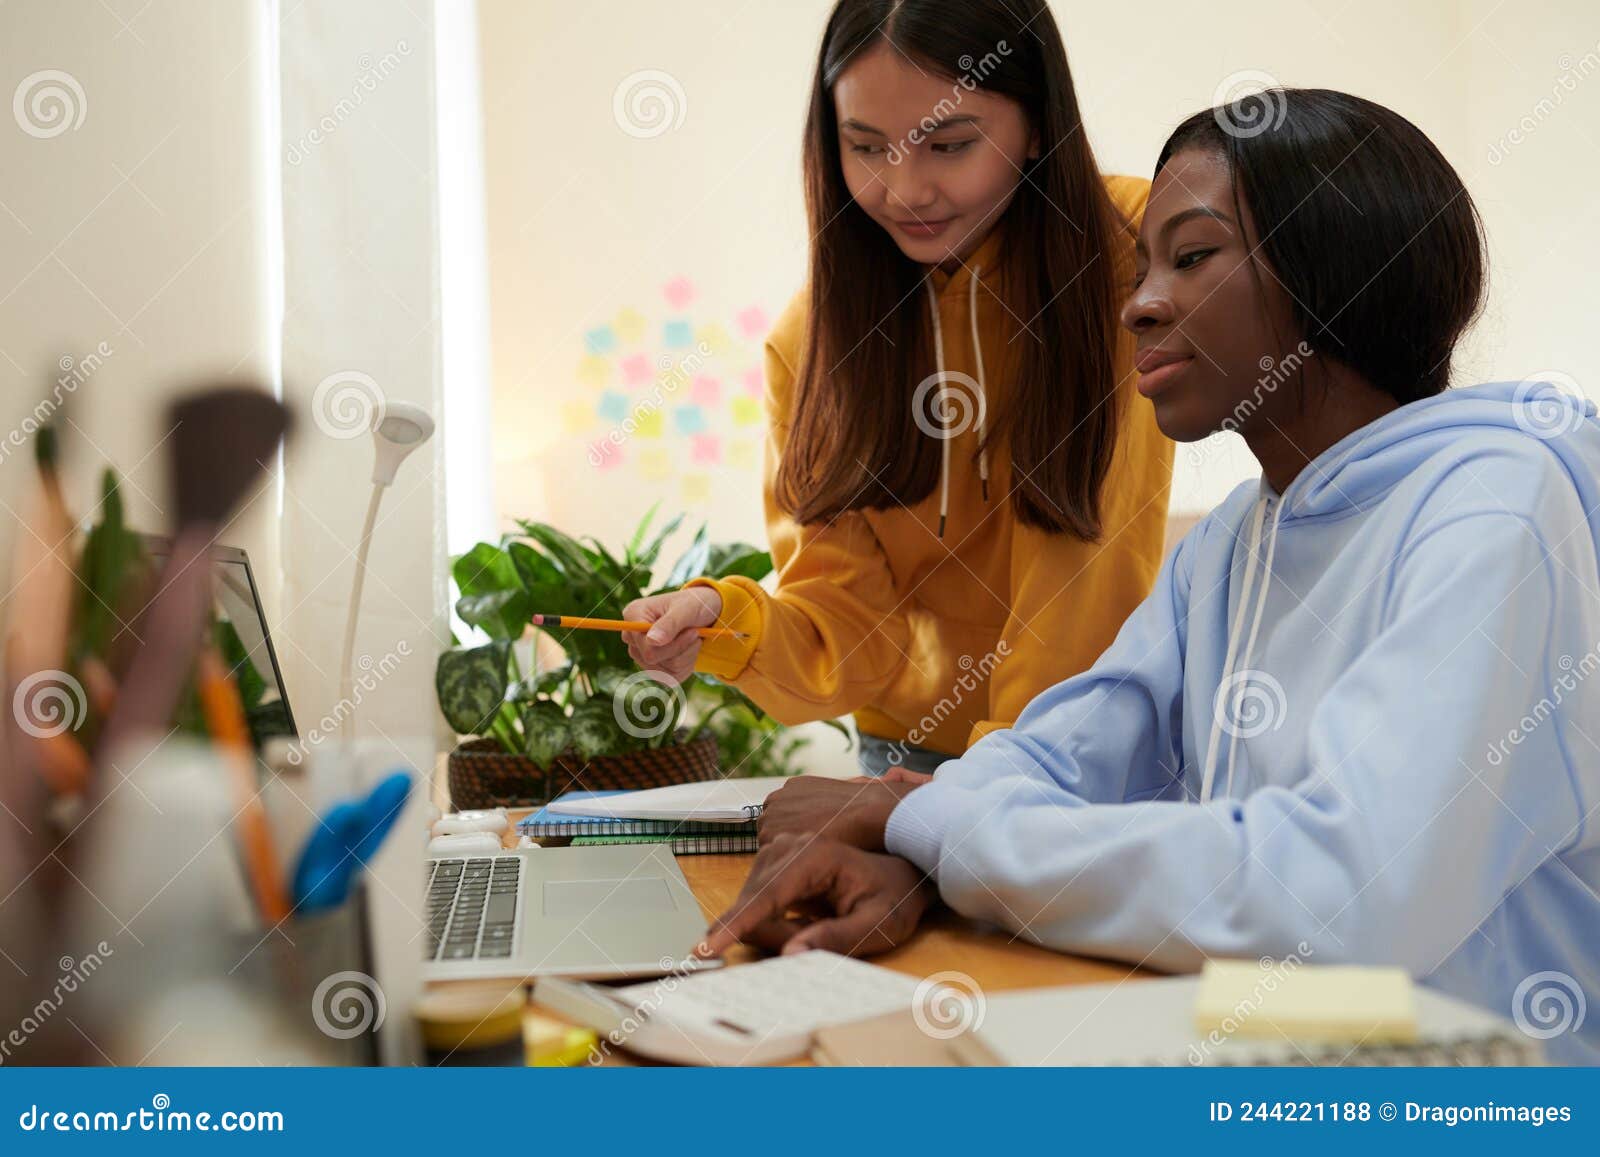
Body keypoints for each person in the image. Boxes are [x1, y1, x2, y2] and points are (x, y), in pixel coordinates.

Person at [703, 88, 1600, 1066]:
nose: (1137, 303)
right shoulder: (1229, 541)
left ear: (1335, 263)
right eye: (1141, 267)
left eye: (1192, 255)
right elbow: (1060, 755)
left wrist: (923, 817)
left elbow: (1339, 896)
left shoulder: (1497, 507)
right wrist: (920, 854)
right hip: (1272, 1052)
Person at [621, 0, 1173, 777]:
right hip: (907, 767)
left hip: (1084, 760)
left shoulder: (1139, 250)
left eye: (949, 145)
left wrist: (993, 790)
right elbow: (851, 628)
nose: (905, 189)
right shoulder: (812, 337)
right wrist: (726, 619)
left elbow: (1078, 588)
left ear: (1040, 122)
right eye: (866, 146)